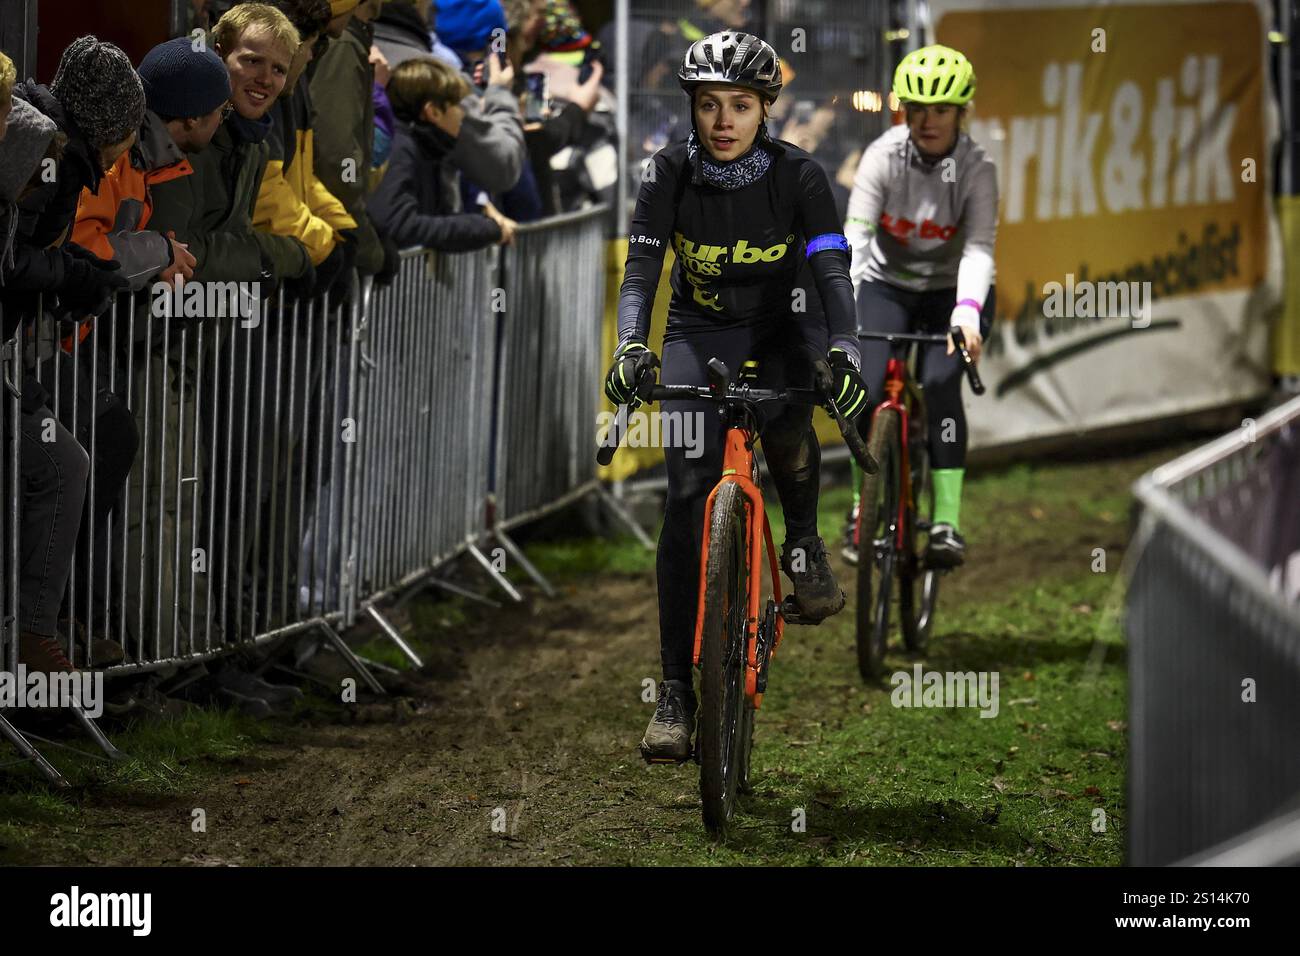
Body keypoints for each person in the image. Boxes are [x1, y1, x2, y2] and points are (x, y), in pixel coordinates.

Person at [605, 33, 867, 763]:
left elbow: (831, 270)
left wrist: (844, 346)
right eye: (710, 104)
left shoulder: (800, 176)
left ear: (764, 111)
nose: (723, 120)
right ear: (693, 107)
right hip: (699, 328)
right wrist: (633, 344)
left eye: (741, 106)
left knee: (788, 419)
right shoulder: (668, 173)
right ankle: (675, 691)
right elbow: (641, 274)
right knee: (686, 494)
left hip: (786, 320)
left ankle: (806, 543)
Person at [842, 44, 998, 569]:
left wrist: (968, 312)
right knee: (859, 385)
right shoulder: (882, 157)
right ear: (903, 110)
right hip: (887, 286)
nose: (928, 121)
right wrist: (841, 305)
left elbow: (978, 249)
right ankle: (863, 507)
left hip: (954, 294)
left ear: (961, 113)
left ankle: (948, 522)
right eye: (917, 109)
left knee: (937, 382)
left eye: (941, 110)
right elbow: (857, 240)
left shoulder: (979, 169)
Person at [251, 0, 360, 299]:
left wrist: (340, 226)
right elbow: (265, 190)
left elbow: (301, 175)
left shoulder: (289, 86)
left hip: (284, 251)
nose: (312, 55)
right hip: (266, 266)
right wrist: (322, 246)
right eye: (311, 45)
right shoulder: (263, 88)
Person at [370, 56, 511, 250]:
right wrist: (487, 229)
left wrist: (484, 224)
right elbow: (398, 224)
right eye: (456, 105)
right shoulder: (399, 147)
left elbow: (434, 220)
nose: (462, 114)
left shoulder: (426, 148)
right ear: (433, 111)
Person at [309, 0, 383, 280]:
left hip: (325, 228)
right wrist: (360, 234)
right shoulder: (343, 43)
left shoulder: (351, 38)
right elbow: (337, 158)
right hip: (327, 235)